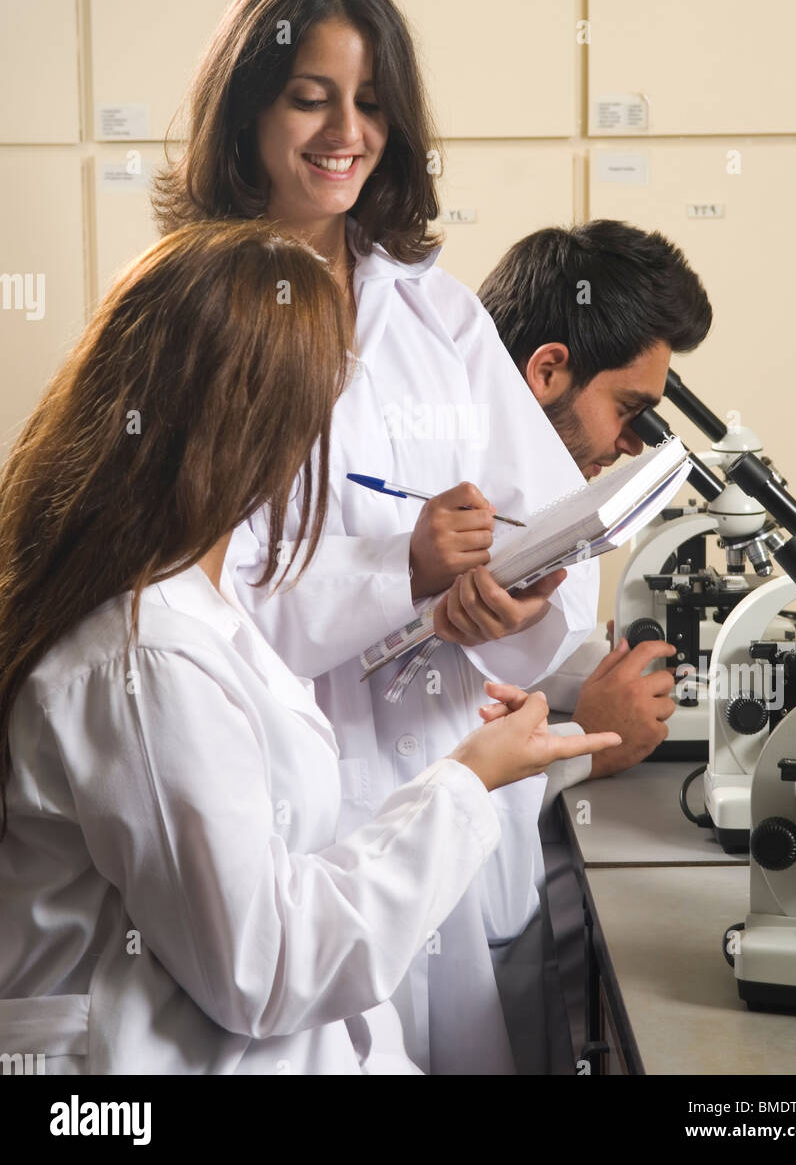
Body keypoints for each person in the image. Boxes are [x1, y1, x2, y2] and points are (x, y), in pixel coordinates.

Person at [0, 219, 618, 1076]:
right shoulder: (143, 658)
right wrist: (467, 781)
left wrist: (462, 711)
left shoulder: (193, 610)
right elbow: (267, 971)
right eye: (315, 401)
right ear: (249, 422)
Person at [152, 0, 601, 1074]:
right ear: (249, 106)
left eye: (369, 101)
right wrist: (395, 570)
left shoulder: (436, 314)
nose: (344, 129)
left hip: (447, 773)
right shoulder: (187, 317)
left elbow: (559, 540)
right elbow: (175, 595)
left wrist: (509, 597)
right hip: (291, 806)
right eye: (311, 95)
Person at [478, 220, 713, 775]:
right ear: (548, 372)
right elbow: (435, 779)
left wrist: (603, 669)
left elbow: (512, 666)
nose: (634, 443)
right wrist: (589, 742)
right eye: (628, 408)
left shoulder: (522, 496)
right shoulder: (451, 517)